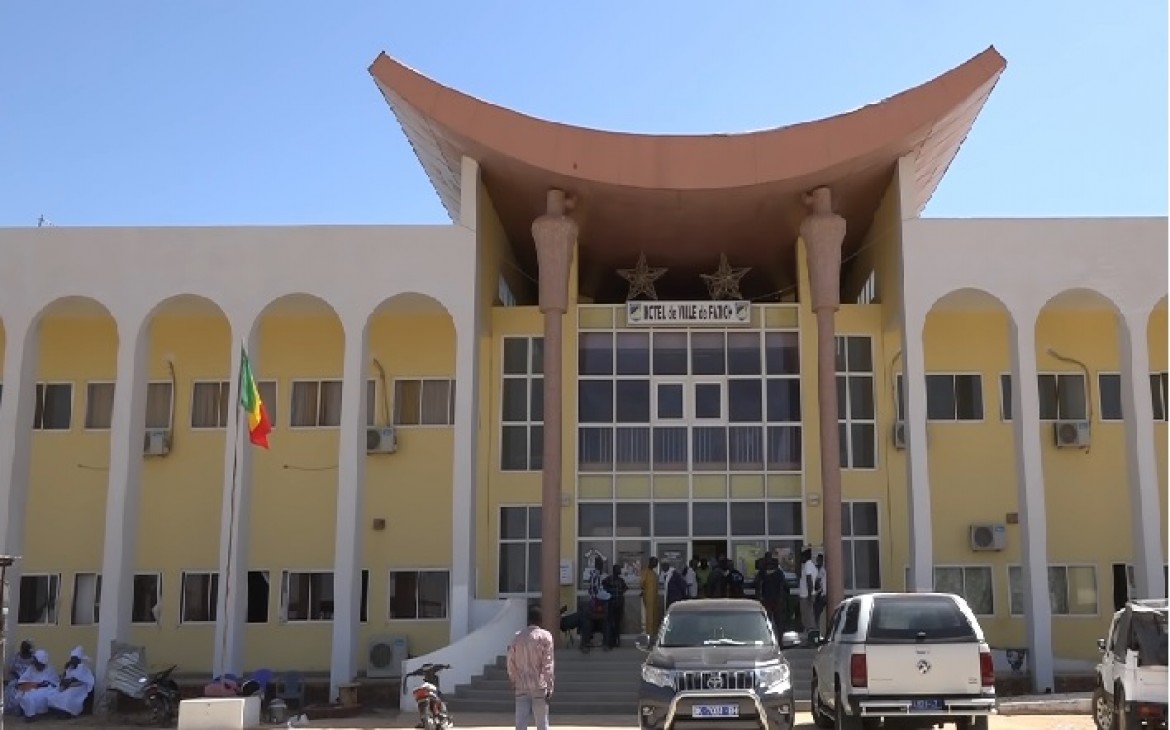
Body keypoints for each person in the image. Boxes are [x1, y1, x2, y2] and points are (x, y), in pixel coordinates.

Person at [507, 605, 554, 730]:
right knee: (542, 723)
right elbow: (547, 664)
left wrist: (512, 678)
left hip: (521, 684)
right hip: (539, 684)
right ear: (540, 620)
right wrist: (549, 685)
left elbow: (510, 660)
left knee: (520, 723)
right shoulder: (545, 637)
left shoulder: (517, 637)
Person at [47, 646, 95, 717]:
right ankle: (58, 711)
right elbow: (65, 677)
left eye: (75, 659)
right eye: (72, 659)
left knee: (68, 696)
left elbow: (83, 681)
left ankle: (68, 712)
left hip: (80, 687)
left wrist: (70, 683)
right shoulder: (70, 667)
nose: (73, 660)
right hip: (69, 686)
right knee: (54, 693)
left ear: (79, 659)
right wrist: (65, 674)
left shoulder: (83, 667)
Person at [12, 649, 58, 719]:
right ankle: (28, 713)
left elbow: (54, 683)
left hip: (46, 689)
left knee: (37, 697)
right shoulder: (31, 668)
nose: (35, 664)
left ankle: (33, 714)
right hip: (32, 687)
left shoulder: (50, 669)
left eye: (37, 662)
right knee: (25, 694)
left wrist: (42, 684)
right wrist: (25, 684)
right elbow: (23, 679)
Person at [579, 555, 610, 652]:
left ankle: (590, 644)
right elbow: (594, 590)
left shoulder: (600, 575)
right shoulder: (596, 575)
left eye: (601, 563)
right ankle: (587, 644)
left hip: (597, 601)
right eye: (599, 564)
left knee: (603, 623)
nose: (601, 565)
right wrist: (606, 596)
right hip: (596, 602)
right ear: (597, 565)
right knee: (592, 622)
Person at [4, 640, 35, 715]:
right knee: (12, 688)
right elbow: (12, 671)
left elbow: (35, 672)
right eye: (23, 647)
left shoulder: (34, 658)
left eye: (26, 647)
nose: (24, 648)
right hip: (17, 678)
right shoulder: (16, 657)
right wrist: (19, 679)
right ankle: (14, 709)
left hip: (30, 679)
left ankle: (24, 709)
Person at [602, 565, 628, 649]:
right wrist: (610, 592)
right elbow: (604, 585)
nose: (620, 570)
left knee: (617, 623)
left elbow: (625, 588)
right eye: (618, 569)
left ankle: (617, 640)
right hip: (611, 604)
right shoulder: (609, 579)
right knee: (610, 623)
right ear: (614, 570)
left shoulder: (621, 580)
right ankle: (610, 641)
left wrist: (620, 593)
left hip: (619, 604)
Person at [798, 548, 817, 638]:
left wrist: (810, 595)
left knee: (807, 618)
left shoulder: (808, 565)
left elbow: (809, 580)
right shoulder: (812, 566)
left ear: (805, 557)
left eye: (802, 557)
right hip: (808, 594)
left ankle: (810, 637)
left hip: (806, 596)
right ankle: (809, 636)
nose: (801, 559)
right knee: (809, 616)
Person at [640, 557, 661, 637]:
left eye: (657, 563)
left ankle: (654, 634)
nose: (656, 564)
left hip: (654, 597)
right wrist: (643, 591)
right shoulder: (645, 572)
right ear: (650, 562)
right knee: (649, 616)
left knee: (655, 616)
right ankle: (649, 634)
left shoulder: (654, 574)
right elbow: (642, 583)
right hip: (648, 597)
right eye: (655, 562)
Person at [813, 553, 828, 633]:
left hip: (822, 595)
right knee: (817, 614)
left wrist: (817, 593)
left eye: (819, 560)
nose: (817, 562)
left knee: (816, 614)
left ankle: (817, 632)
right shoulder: (820, 570)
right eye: (817, 560)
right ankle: (818, 631)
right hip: (821, 594)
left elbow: (820, 584)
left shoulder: (822, 571)